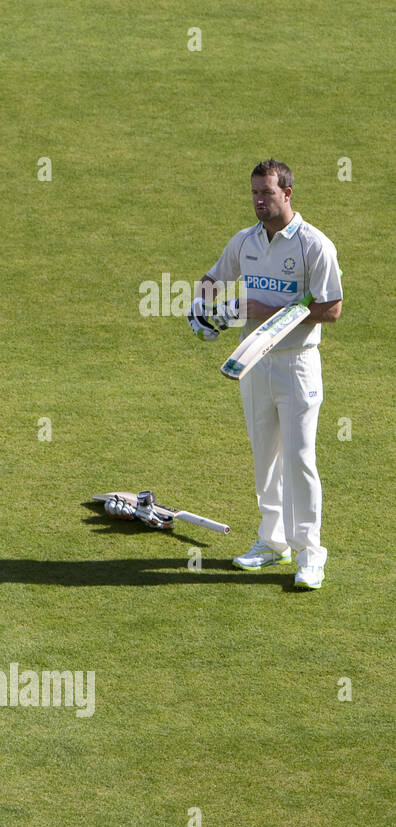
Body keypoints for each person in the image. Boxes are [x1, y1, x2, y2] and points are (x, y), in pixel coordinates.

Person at [187, 159, 343, 590]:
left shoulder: (314, 245)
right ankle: (272, 543)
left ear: (287, 193)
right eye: (254, 193)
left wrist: (268, 312)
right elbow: (212, 279)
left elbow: (331, 309)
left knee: (299, 458)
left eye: (267, 193)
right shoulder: (245, 242)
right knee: (265, 457)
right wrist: (201, 309)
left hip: (297, 363)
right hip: (253, 362)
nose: (259, 200)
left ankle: (310, 553)